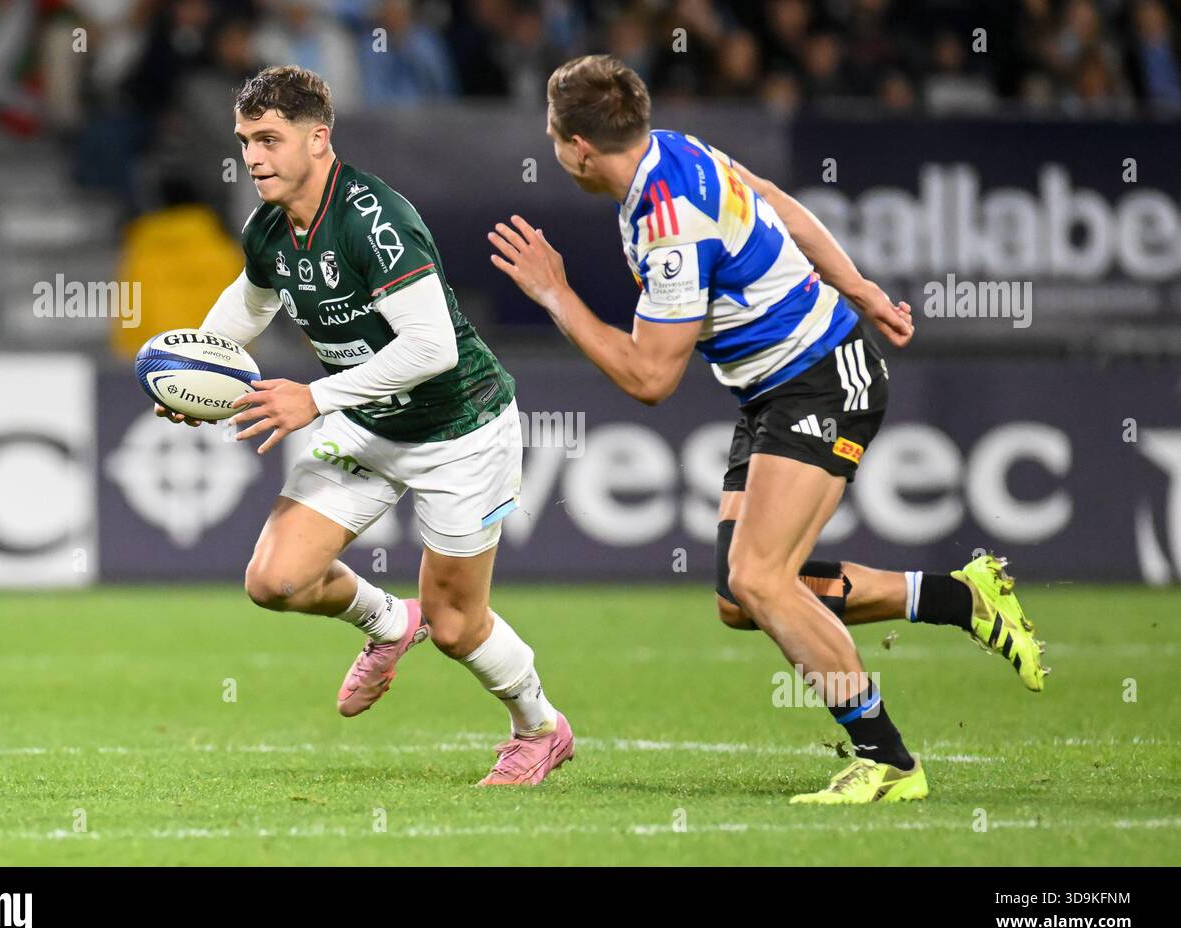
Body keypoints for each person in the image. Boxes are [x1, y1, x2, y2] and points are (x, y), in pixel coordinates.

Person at [489, 54, 1046, 804]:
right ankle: (958, 598)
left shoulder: (668, 223)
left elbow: (652, 379)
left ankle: (888, 762)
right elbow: (777, 200)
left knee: (760, 578)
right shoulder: (677, 150)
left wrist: (557, 295)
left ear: (579, 147)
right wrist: (861, 285)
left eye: (553, 135)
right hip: (775, 390)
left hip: (821, 379)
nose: (552, 148)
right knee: (736, 594)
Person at [156, 65, 574, 786]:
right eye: (244, 140)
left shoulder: (373, 220)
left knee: (456, 626)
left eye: (268, 139)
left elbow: (432, 348)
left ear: (319, 140)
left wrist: (314, 399)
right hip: (367, 421)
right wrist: (197, 373)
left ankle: (539, 728)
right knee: (275, 581)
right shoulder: (268, 227)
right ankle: (387, 621)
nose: (252, 156)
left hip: (459, 427)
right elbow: (248, 306)